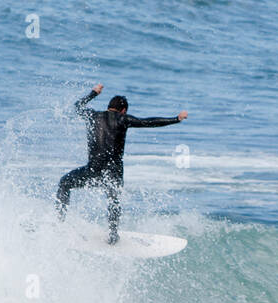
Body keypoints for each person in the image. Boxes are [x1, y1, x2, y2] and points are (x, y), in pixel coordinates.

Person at [55, 83, 188, 243]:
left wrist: (93, 93)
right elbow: (148, 122)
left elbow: (77, 106)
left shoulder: (93, 116)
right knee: (113, 199)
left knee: (64, 183)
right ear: (123, 110)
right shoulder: (123, 119)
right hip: (113, 171)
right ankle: (112, 234)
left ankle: (59, 222)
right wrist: (176, 119)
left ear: (109, 107)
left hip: (93, 169)